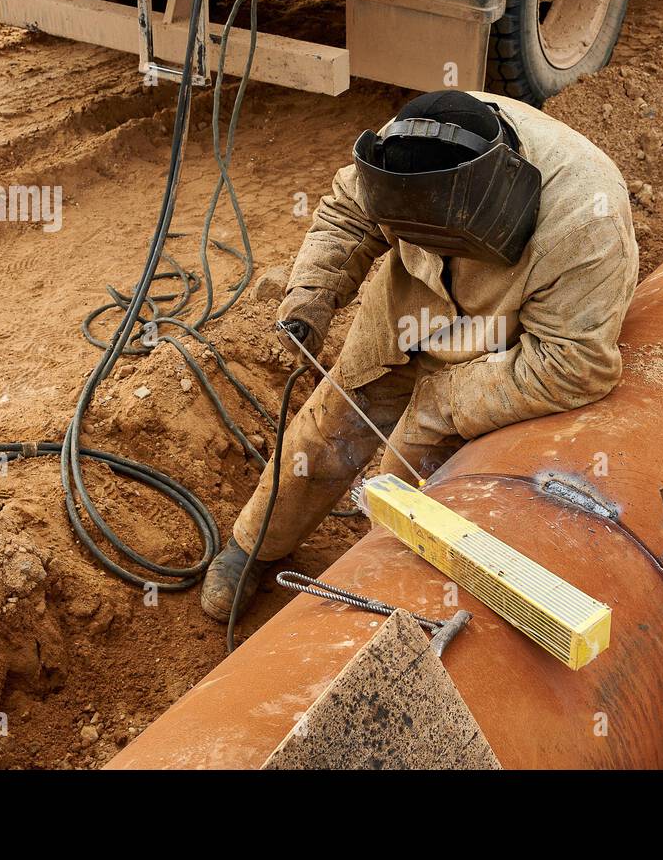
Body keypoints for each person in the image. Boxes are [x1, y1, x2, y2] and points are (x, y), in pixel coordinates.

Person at [201, 89, 638, 622]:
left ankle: (374, 594)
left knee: (409, 476)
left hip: (499, 350)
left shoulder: (585, 225)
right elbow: (348, 215)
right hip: (406, 312)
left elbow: (575, 364)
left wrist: (446, 398)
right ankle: (254, 546)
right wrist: (312, 298)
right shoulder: (410, 145)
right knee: (327, 430)